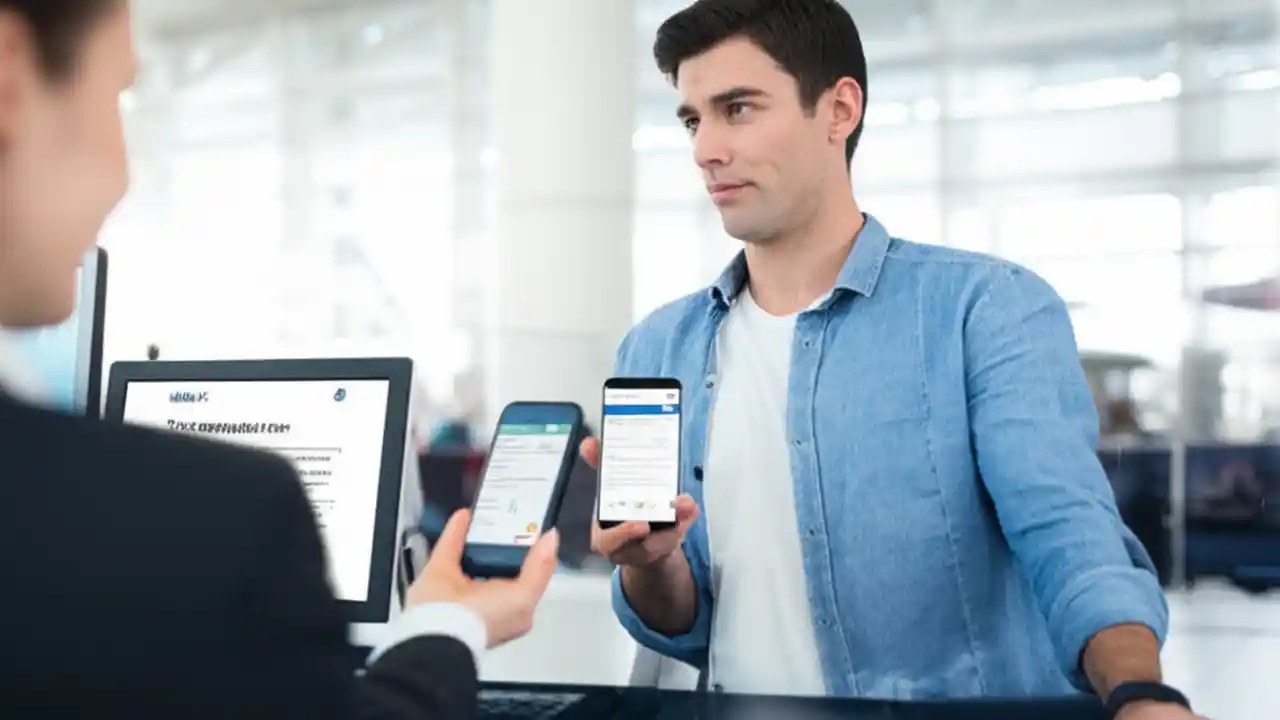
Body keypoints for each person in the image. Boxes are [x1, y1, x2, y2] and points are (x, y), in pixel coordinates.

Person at [580, 2, 1200, 719]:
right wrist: (648, 567)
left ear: (839, 109)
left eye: (738, 109)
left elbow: (1071, 536)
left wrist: (1141, 695)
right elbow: (678, 624)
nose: (706, 148)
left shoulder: (985, 310)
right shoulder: (657, 347)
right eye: (693, 120)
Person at [0, 1, 558, 716]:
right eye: (115, 97)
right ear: (11, 76)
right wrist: (450, 624)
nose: (124, 173)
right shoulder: (207, 522)